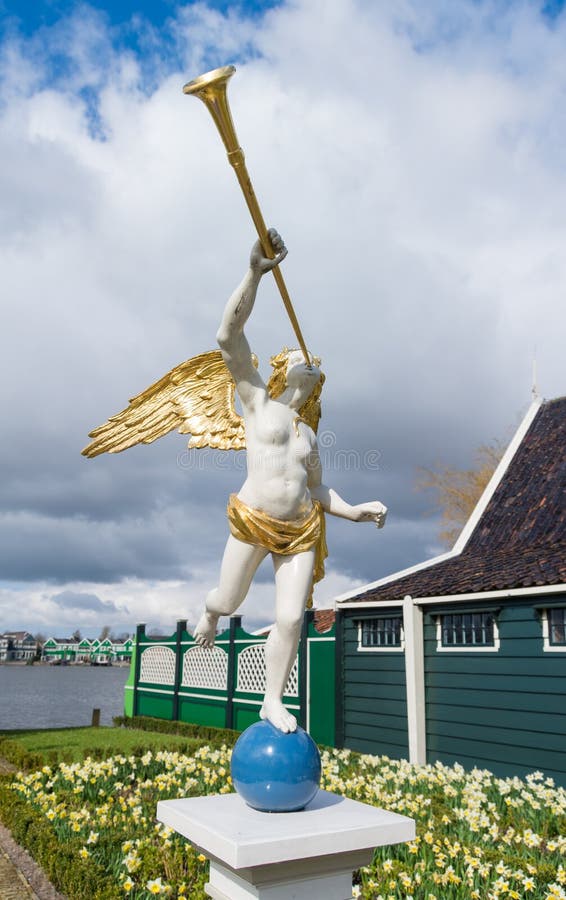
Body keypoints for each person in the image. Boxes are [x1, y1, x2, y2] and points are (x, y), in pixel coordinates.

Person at [194, 229, 387, 733]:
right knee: (228, 600)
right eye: (298, 359)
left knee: (289, 619)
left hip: (301, 530)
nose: (308, 363)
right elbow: (227, 340)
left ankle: (271, 700)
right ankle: (211, 614)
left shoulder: (307, 435)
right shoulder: (258, 403)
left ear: (315, 382)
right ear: (284, 371)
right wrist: (255, 272)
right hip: (254, 519)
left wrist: (355, 510)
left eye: (314, 366)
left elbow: (318, 491)